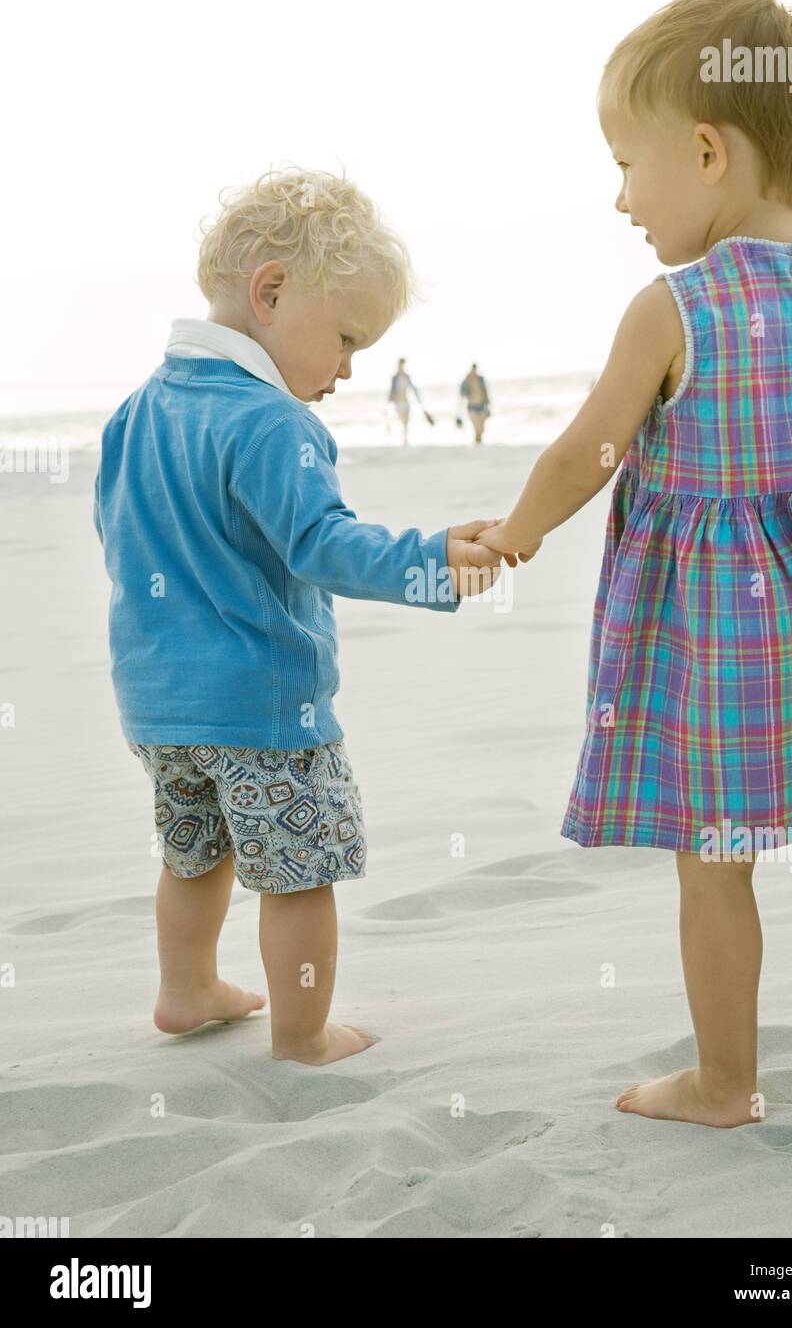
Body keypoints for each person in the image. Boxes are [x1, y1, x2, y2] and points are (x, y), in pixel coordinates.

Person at [477, 0, 792, 1125]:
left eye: (628, 162)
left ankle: (726, 1085)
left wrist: (515, 535)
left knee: (712, 858)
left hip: (716, 635)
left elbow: (589, 452)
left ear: (709, 151)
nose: (620, 196)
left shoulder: (676, 305)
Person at [92, 165, 502, 1066]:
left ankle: (187, 989)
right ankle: (303, 1036)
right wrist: (431, 564)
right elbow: (325, 543)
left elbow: (121, 540)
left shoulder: (134, 414)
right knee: (301, 871)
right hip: (266, 708)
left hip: (159, 705)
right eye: (346, 337)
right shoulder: (272, 423)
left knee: (195, 853)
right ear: (271, 292)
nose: (350, 367)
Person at [388, 357, 421, 445]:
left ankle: (405, 439)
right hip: (398, 402)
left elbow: (413, 388)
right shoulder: (394, 378)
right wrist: (389, 401)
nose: (402, 366)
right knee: (401, 420)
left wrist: (418, 399)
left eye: (403, 365)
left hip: (406, 401)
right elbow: (391, 390)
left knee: (406, 421)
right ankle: (403, 437)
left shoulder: (407, 376)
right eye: (401, 365)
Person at [459, 363, 491, 443]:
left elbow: (485, 392)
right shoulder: (467, 380)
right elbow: (462, 394)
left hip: (482, 405)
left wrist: (488, 404)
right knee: (477, 427)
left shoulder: (481, 379)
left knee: (482, 428)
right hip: (472, 406)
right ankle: (478, 443)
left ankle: (478, 442)